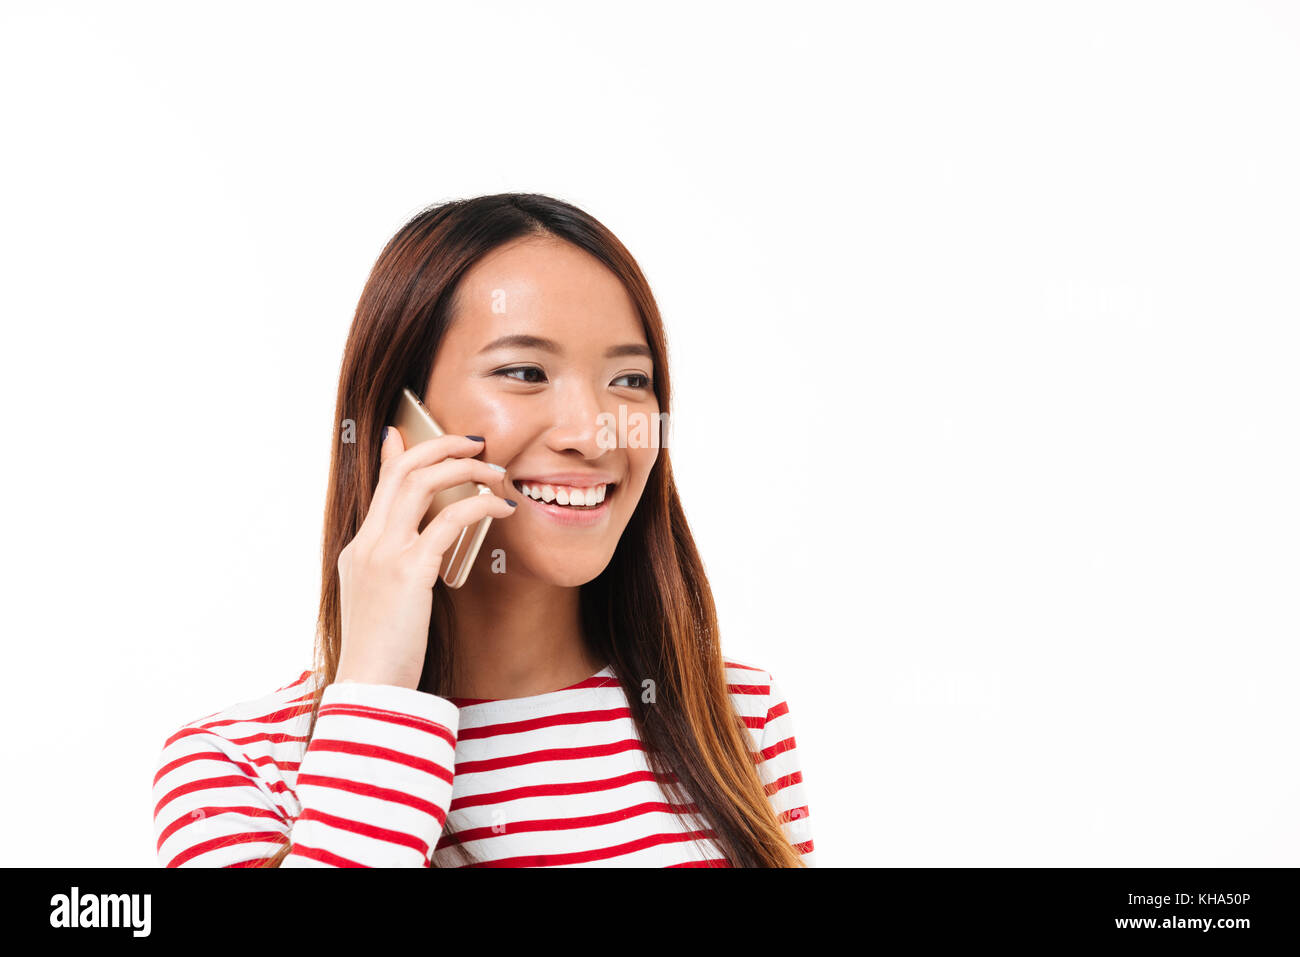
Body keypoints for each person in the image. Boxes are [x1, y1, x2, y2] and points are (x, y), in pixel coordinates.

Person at [152, 193, 814, 867]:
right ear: (400, 419)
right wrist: (377, 687)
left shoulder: (735, 720)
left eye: (629, 379)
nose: (593, 431)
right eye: (524, 372)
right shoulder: (236, 770)